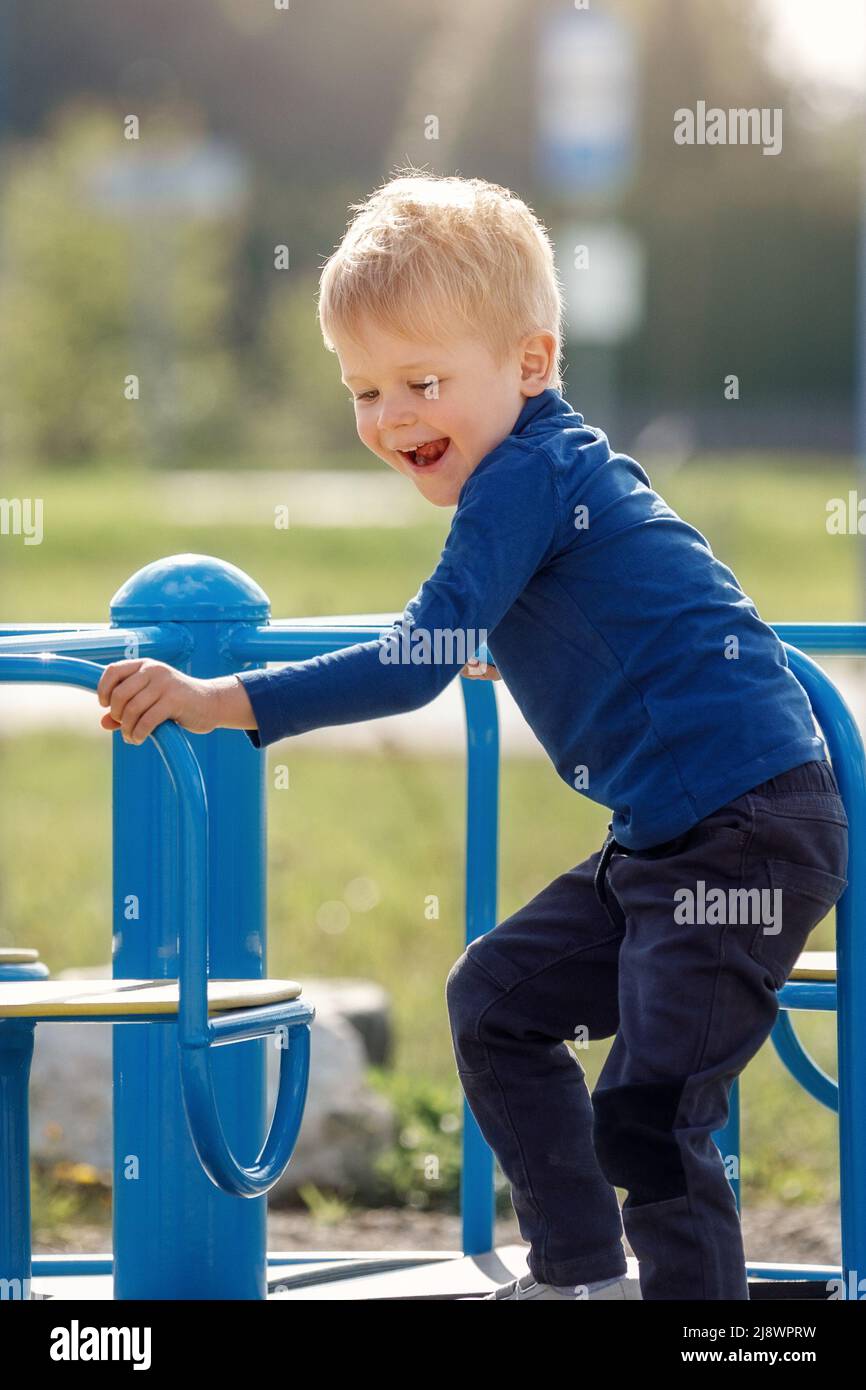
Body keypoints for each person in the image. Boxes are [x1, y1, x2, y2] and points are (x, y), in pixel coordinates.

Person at [95, 170, 848, 1301]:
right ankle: (581, 1270)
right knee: (496, 1000)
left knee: (651, 1114)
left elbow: (415, 657)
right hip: (675, 837)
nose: (391, 418)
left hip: (737, 837)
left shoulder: (526, 478)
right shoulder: (551, 470)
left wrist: (222, 700)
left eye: (422, 380)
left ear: (531, 364)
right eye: (363, 390)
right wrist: (510, 634)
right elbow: (600, 602)